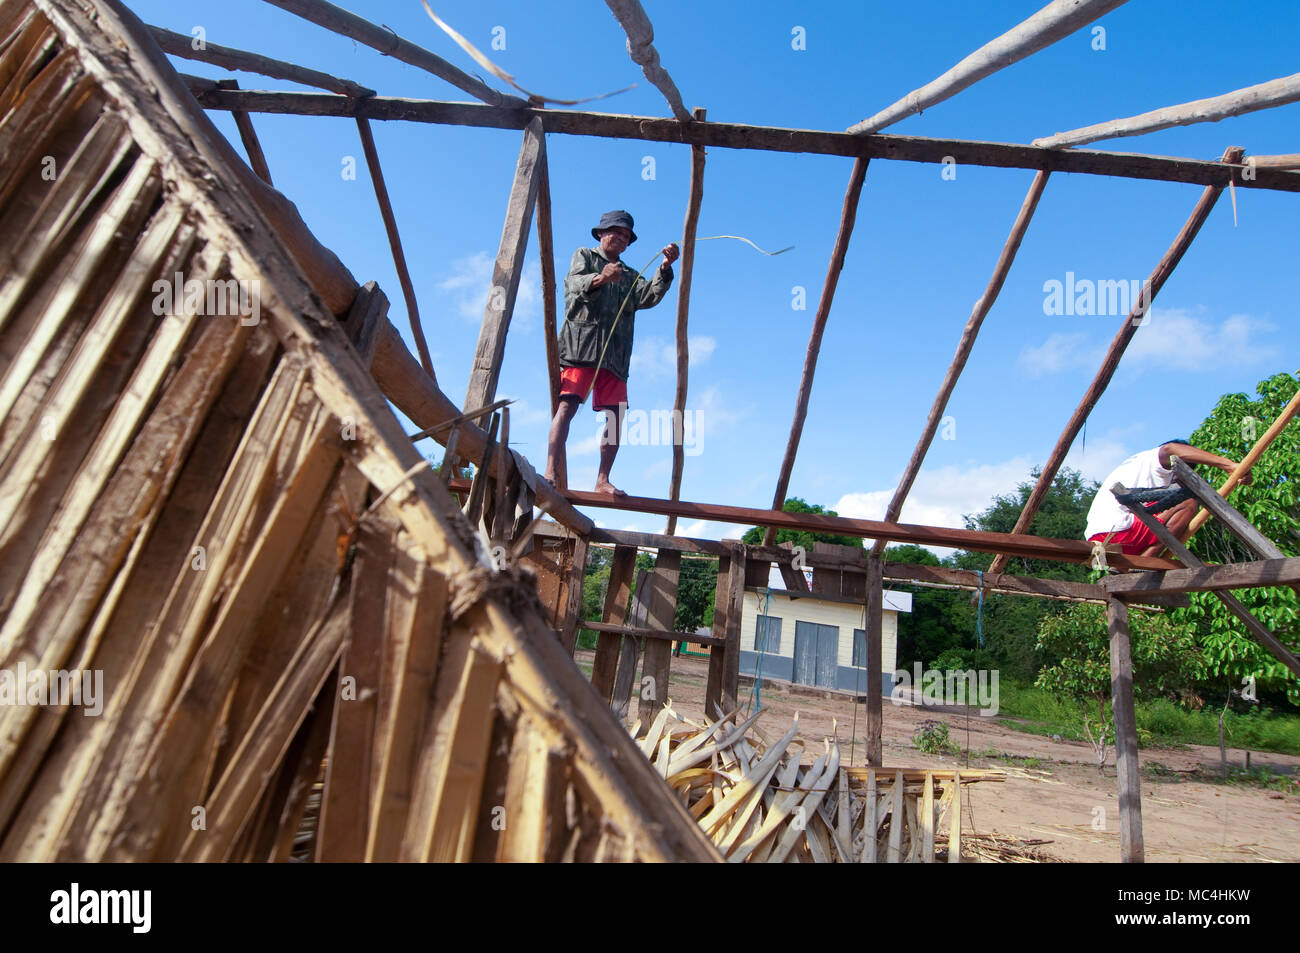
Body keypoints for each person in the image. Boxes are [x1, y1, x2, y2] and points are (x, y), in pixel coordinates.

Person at [544, 210, 679, 495]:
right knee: (566, 407)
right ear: (601, 233)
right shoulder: (584, 256)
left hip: (615, 357)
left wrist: (665, 267)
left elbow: (648, 296)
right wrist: (602, 277)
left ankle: (602, 479)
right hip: (581, 348)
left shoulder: (630, 275)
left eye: (626, 236)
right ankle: (550, 471)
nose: (621, 238)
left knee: (616, 418)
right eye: (616, 232)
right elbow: (575, 286)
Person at [1084, 439, 1250, 557]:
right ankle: (1146, 560)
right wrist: (1229, 465)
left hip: (1100, 536)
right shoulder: (1156, 460)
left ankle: (1140, 560)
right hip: (1118, 534)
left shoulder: (1138, 465)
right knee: (1188, 502)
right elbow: (1171, 449)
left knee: (1178, 498)